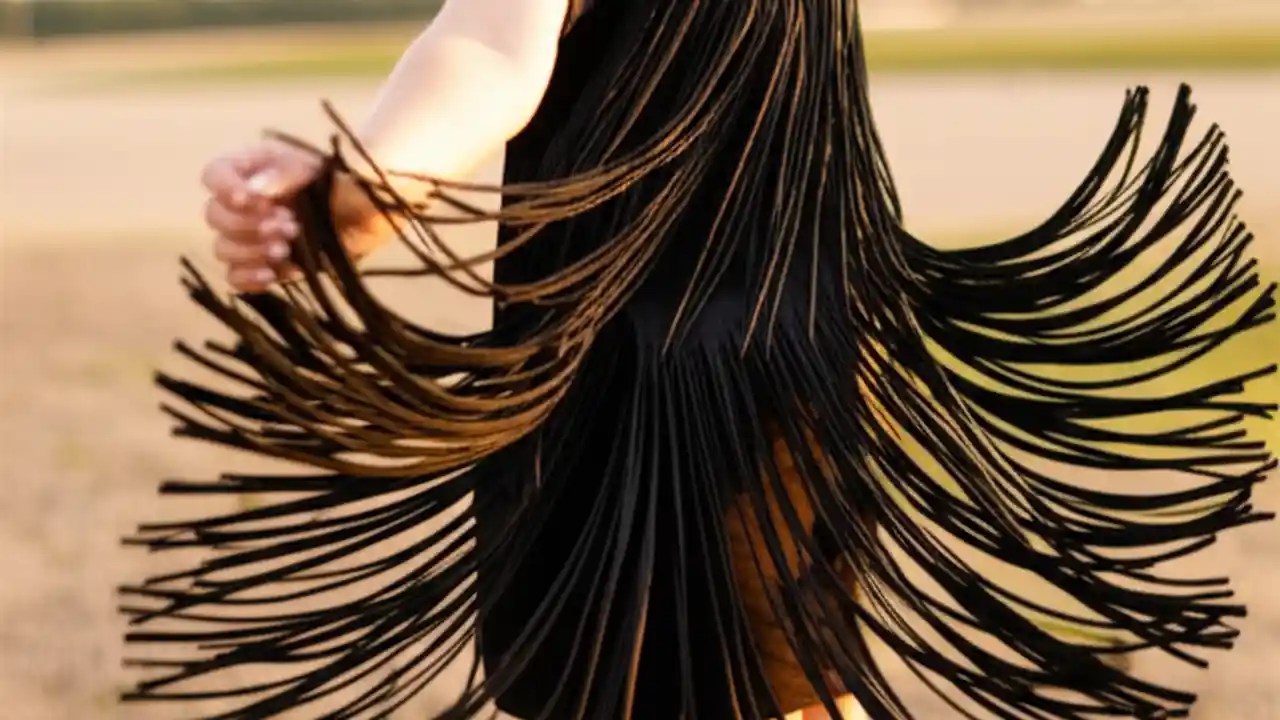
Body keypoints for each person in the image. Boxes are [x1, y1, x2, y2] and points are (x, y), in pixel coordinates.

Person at [123, 0, 1277, 718]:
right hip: (606, 366)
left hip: (776, 349)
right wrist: (366, 184)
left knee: (789, 695)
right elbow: (487, 40)